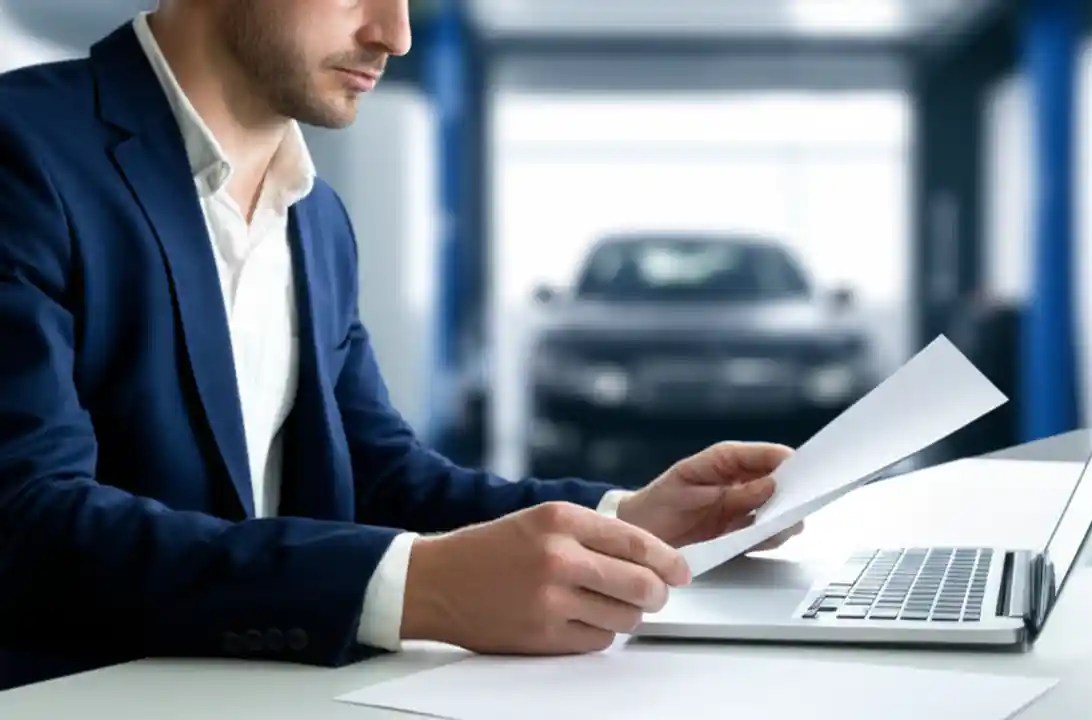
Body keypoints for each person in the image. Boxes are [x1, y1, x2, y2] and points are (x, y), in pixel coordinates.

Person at [0, 0, 800, 689]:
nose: (397, 34)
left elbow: (384, 475)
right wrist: (418, 588)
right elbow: (26, 520)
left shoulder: (318, 218)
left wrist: (629, 520)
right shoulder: (22, 151)